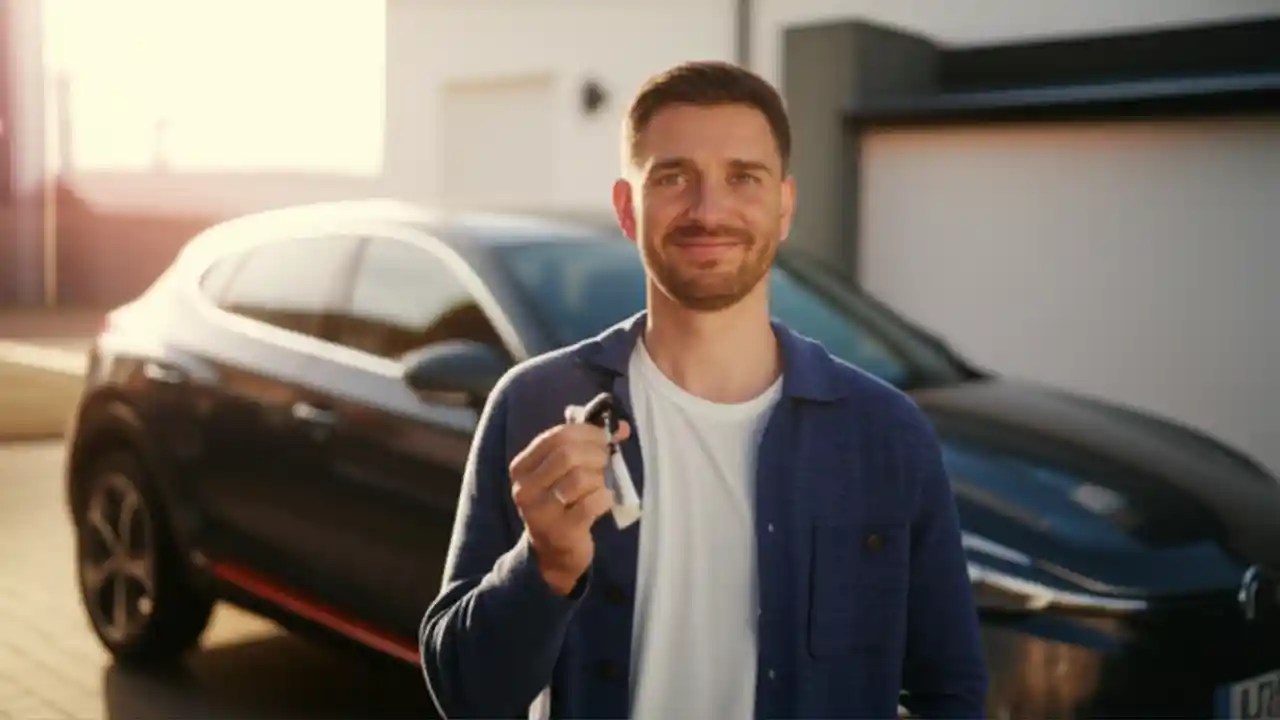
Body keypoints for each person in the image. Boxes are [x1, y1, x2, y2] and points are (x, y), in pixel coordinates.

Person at [419, 60, 987, 719]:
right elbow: (466, 695)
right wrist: (544, 564)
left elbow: (948, 692)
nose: (708, 210)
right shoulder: (534, 405)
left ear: (784, 207)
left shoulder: (888, 434)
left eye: (743, 177)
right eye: (673, 177)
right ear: (629, 210)